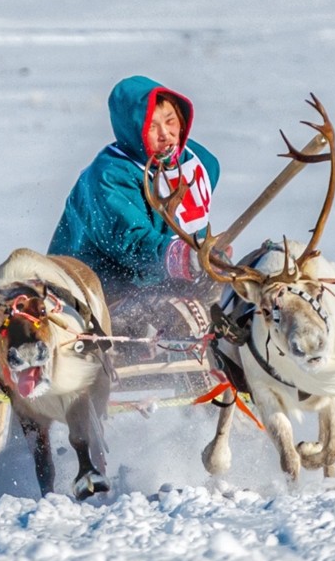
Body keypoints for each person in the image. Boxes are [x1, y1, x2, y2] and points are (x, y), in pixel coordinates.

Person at [47, 75, 222, 359]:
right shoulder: (108, 177)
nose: (165, 134)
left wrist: (205, 254)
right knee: (182, 319)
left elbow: (192, 226)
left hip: (159, 283)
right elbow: (131, 244)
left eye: (170, 120)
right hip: (96, 295)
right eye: (151, 126)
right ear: (132, 129)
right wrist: (179, 256)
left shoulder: (195, 162)